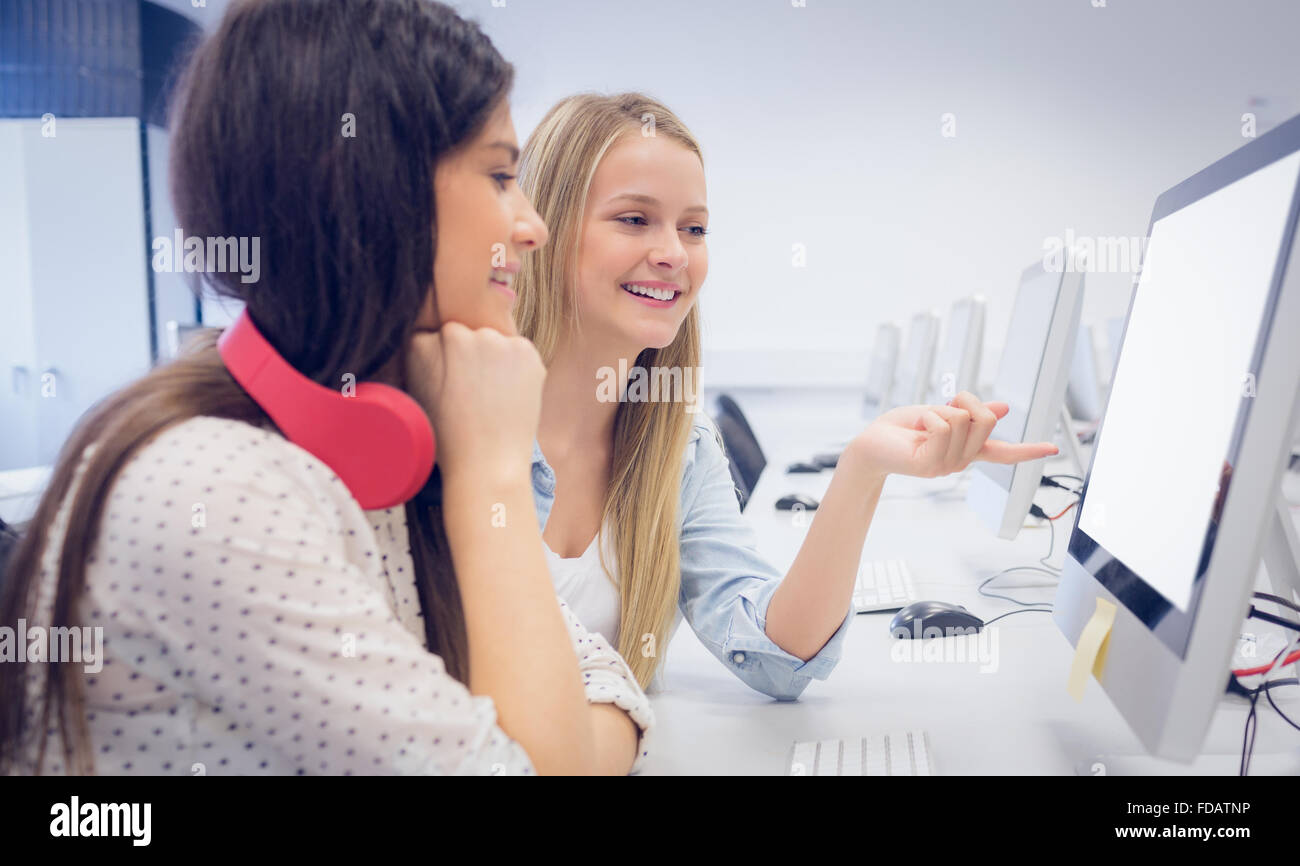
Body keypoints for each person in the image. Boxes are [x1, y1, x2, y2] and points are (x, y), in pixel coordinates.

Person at [0, 0, 649, 777]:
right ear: (373, 184)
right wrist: (494, 475)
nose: (532, 225)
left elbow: (608, 686)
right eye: (501, 175)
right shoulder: (212, 487)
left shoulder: (395, 435)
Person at [512, 92, 1058, 698]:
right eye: (635, 219)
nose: (673, 254)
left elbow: (777, 657)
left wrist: (864, 468)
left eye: (693, 228)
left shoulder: (678, 450)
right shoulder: (458, 438)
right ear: (545, 232)